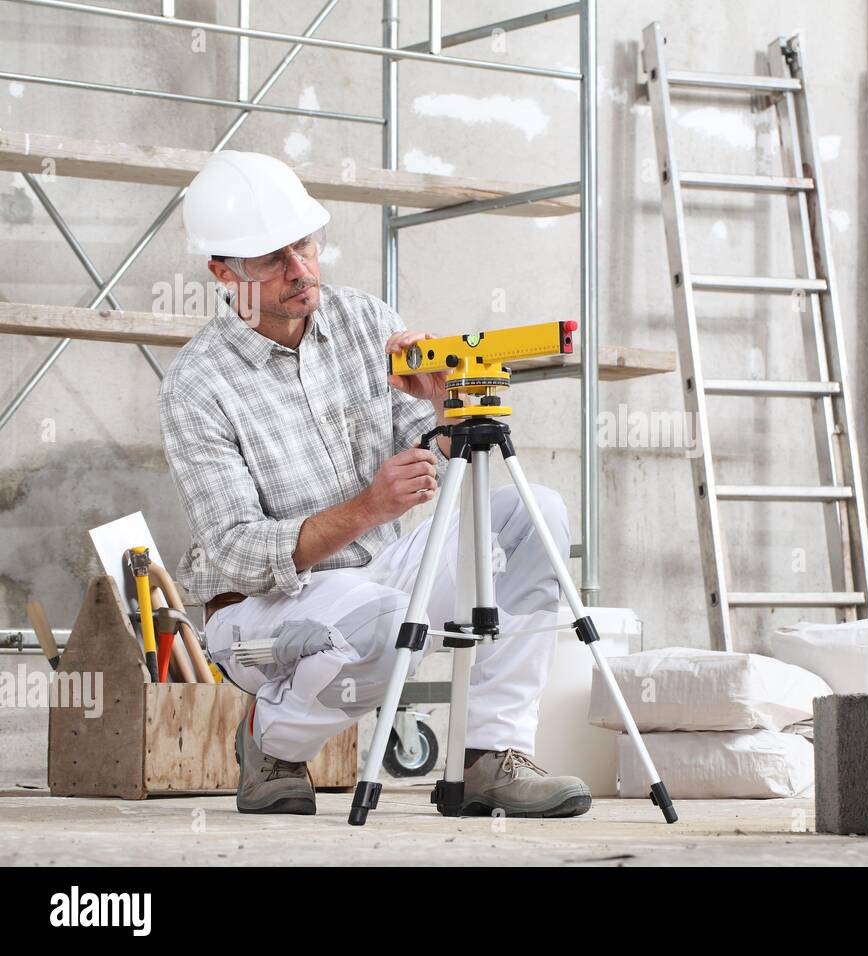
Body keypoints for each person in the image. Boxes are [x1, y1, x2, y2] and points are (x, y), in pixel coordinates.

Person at [159, 150, 590, 818]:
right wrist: (367, 507)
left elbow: (437, 453)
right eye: (274, 259)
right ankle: (269, 739)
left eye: (304, 244)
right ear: (223, 270)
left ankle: (488, 754)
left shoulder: (365, 321)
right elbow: (238, 552)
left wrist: (449, 406)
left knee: (537, 516)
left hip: (380, 574)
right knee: (385, 621)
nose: (301, 271)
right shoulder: (197, 383)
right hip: (258, 618)